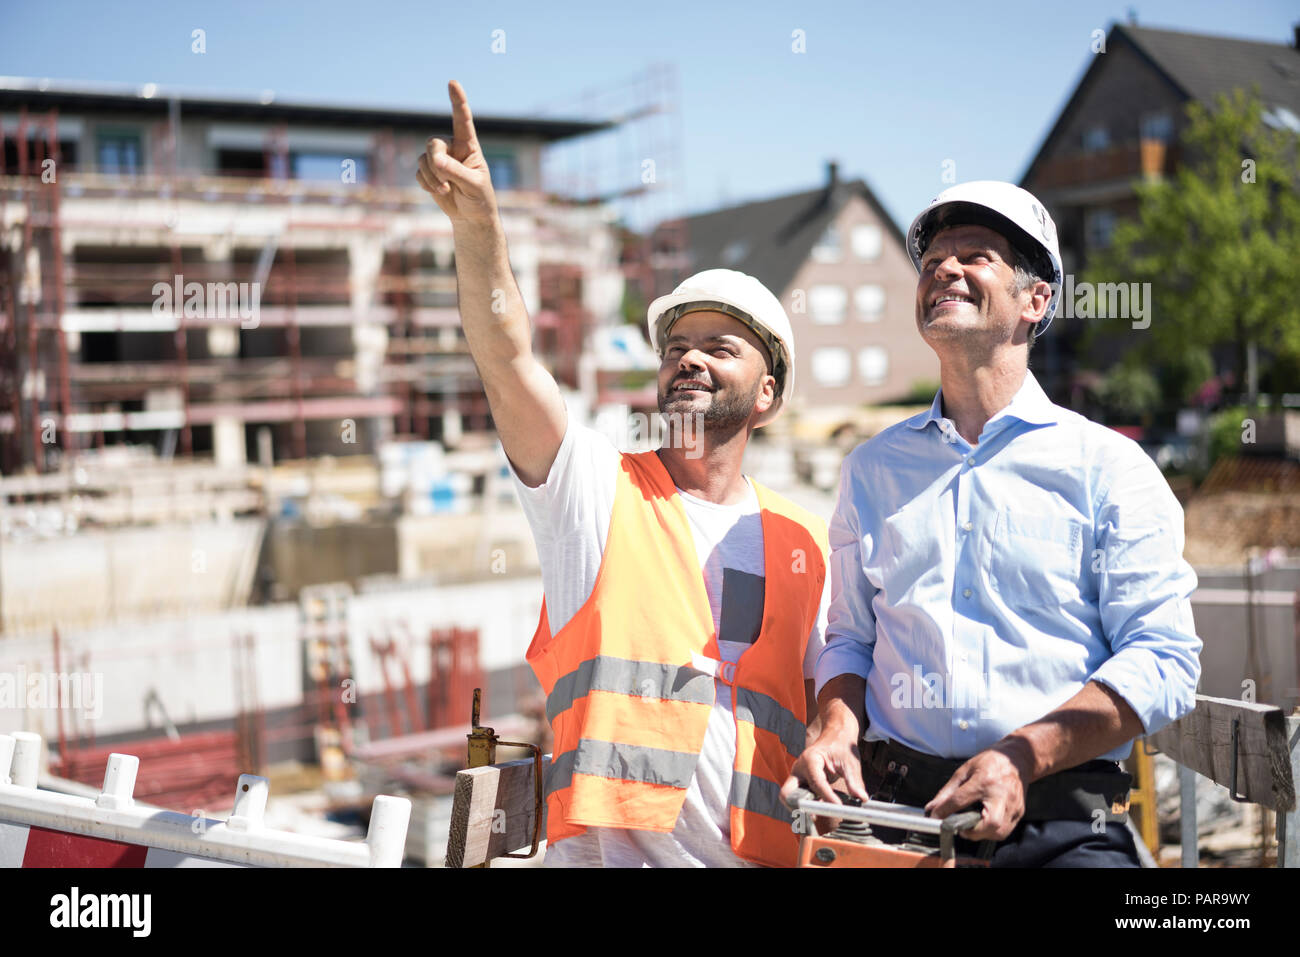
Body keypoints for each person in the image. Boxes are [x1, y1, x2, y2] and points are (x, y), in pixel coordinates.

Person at [418, 81, 829, 868]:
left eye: (720, 346)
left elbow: (835, 713)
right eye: (677, 346)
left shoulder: (806, 541)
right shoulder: (597, 491)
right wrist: (481, 231)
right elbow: (507, 363)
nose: (690, 359)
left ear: (767, 394)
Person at [784, 181, 1202, 867]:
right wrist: (834, 726)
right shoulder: (871, 470)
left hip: (1064, 828)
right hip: (896, 821)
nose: (944, 270)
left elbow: (1163, 657)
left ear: (1036, 301)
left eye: (975, 256)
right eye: (931, 263)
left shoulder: (1110, 469)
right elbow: (850, 638)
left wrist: (1022, 755)